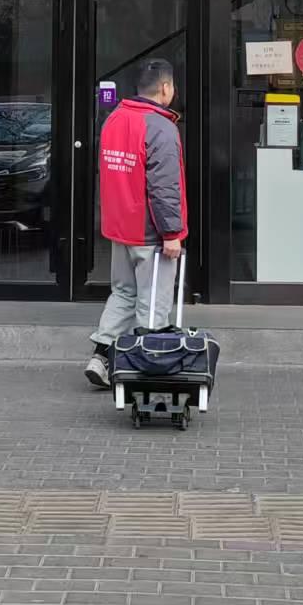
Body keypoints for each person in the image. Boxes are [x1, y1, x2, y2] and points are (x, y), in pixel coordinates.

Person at [83, 58, 187, 389]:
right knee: (153, 302)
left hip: (120, 228)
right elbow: (164, 187)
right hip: (150, 232)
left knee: (123, 293)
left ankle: (101, 357)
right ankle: (146, 369)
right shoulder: (161, 128)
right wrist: (171, 233)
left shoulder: (114, 119)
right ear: (166, 88)